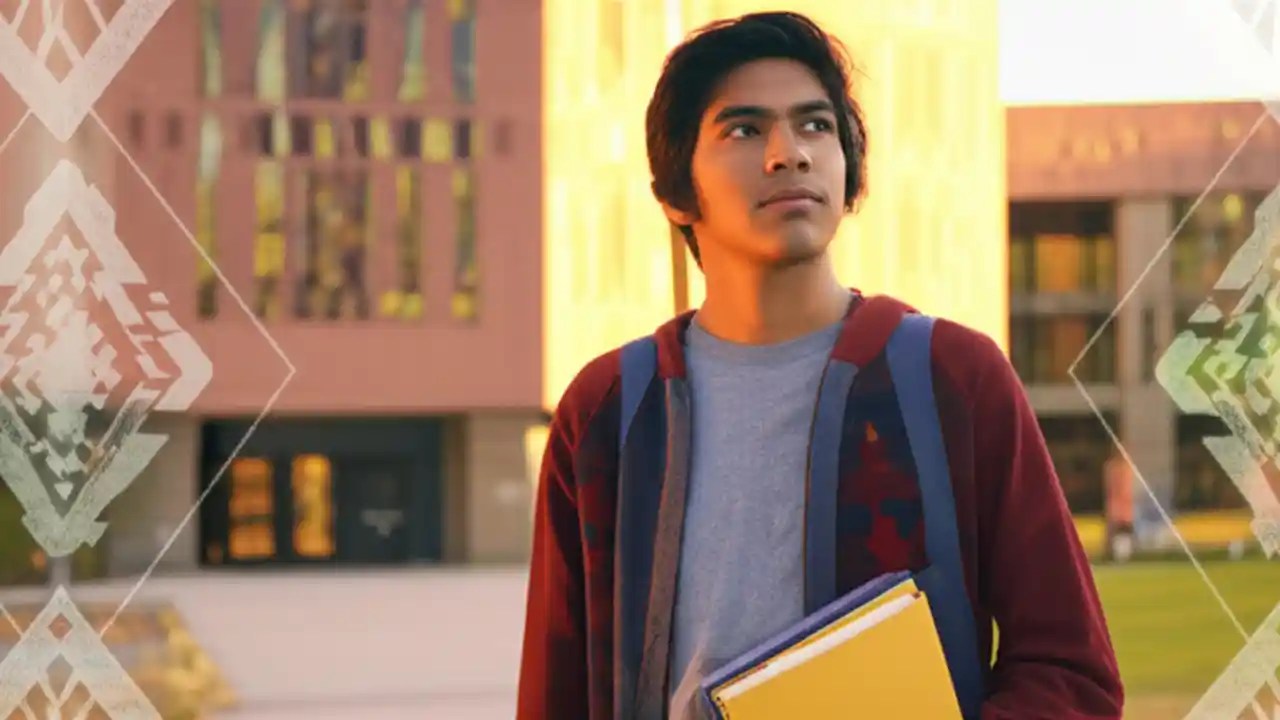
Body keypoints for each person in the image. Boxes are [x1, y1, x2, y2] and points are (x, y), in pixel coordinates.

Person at [518, 11, 1123, 720]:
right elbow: (553, 695)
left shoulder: (949, 376)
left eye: (815, 125)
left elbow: (1071, 672)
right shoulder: (611, 410)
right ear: (676, 193)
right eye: (744, 130)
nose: (789, 153)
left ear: (849, 168)